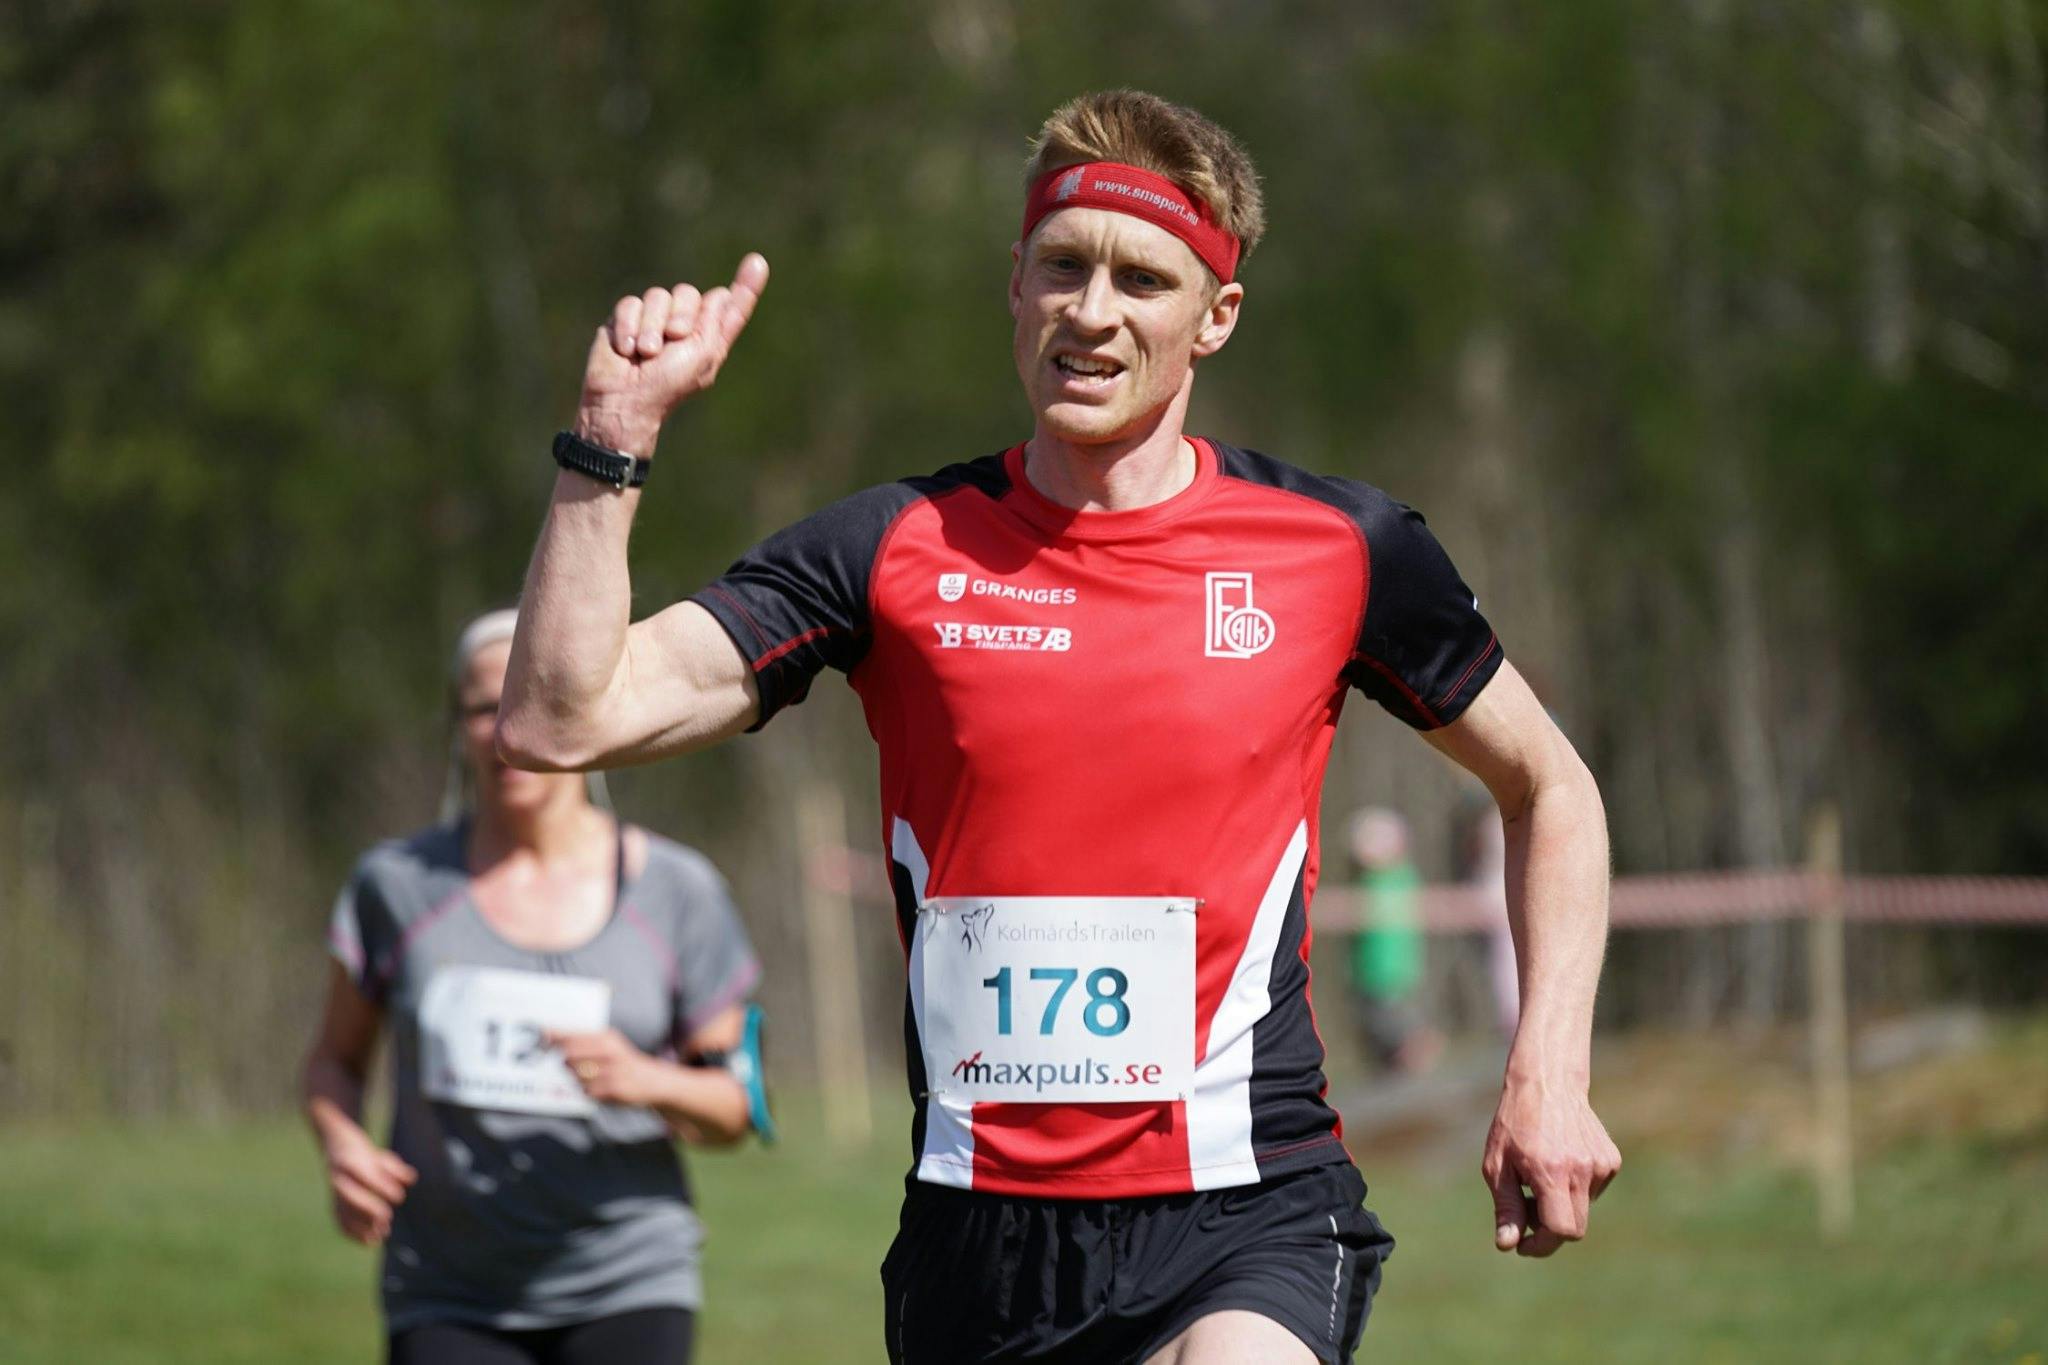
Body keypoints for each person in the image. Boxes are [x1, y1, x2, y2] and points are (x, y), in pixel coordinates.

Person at [497, 89, 1621, 1364]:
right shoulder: (889, 549)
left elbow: (1550, 788)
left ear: (1215, 318)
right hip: (979, 1240)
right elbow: (556, 718)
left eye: (1142, 279)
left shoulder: (1336, 549)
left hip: (1245, 1203)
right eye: (1061, 267)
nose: (1092, 312)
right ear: (1014, 287)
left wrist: (1547, 1071)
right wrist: (610, 444)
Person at [302, 609, 766, 1365]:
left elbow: (737, 1108)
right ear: (457, 727)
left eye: (541, 693)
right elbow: (333, 1062)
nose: (512, 724)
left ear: (591, 712)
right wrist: (342, 1143)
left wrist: (644, 1077)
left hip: (629, 1279)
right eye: (487, 706)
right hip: (448, 1291)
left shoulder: (677, 891)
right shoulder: (395, 887)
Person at [1346, 809, 1442, 1075]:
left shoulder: (1399, 879)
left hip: (1395, 973)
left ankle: (1418, 1056)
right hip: (1372, 973)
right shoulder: (1367, 883)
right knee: (1380, 1034)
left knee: (1399, 1027)